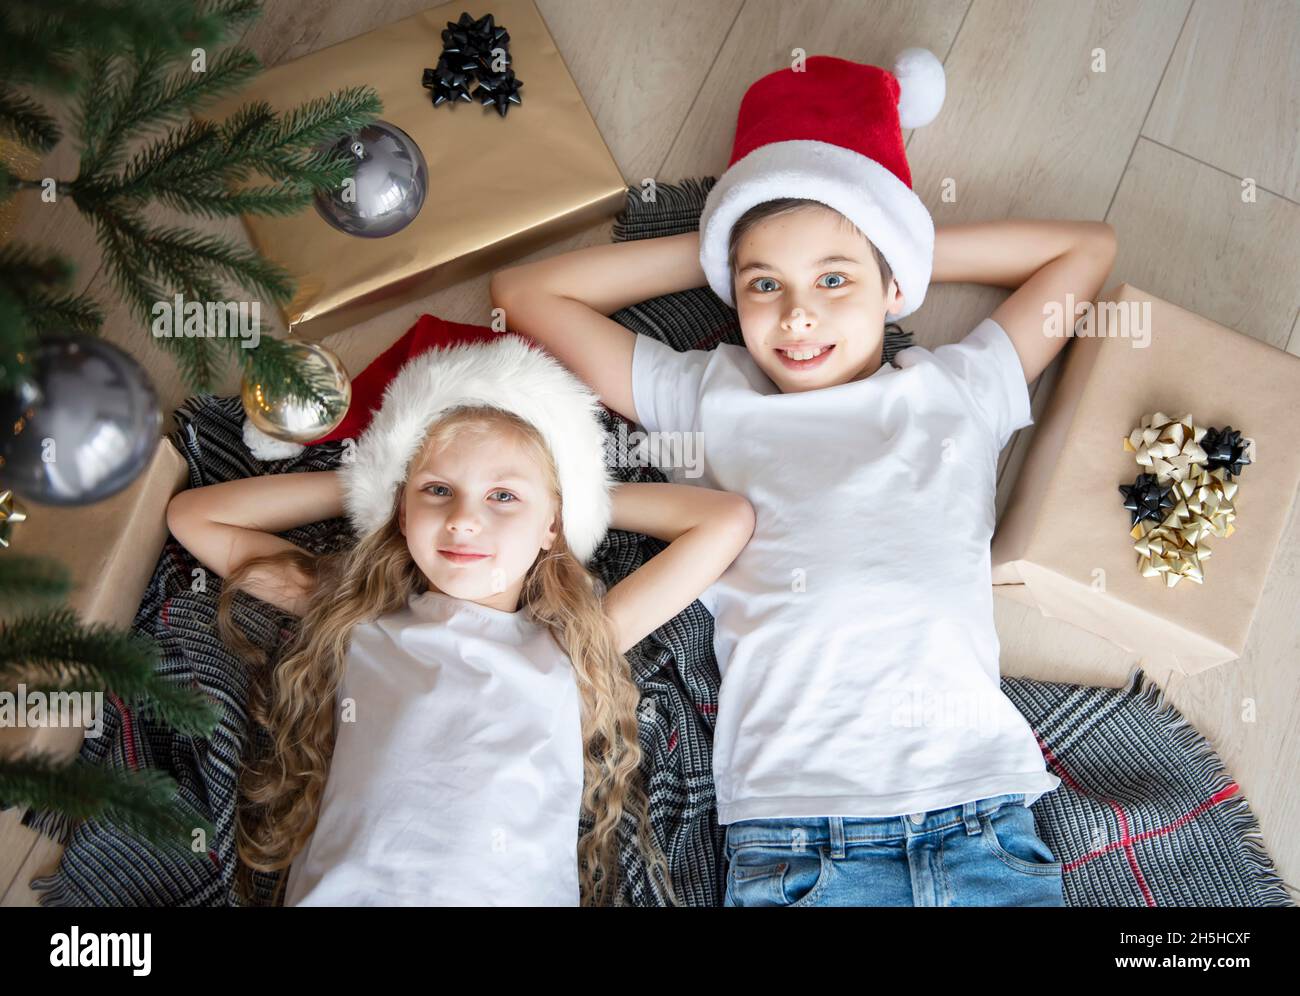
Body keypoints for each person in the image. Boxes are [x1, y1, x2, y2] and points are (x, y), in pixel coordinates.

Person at [489, 52, 1118, 906]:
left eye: (834, 279)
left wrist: (890, 244)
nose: (797, 315)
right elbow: (525, 294)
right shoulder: (707, 400)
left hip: (981, 817)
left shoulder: (953, 391)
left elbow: (1088, 251)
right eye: (763, 286)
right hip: (802, 843)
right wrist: (729, 246)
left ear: (894, 285)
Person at [166, 334, 756, 906]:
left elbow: (724, 521)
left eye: (503, 497)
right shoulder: (361, 617)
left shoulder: (573, 645)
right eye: (439, 490)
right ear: (402, 506)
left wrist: (570, 499)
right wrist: (372, 482)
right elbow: (194, 517)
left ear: (552, 524)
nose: (464, 520)